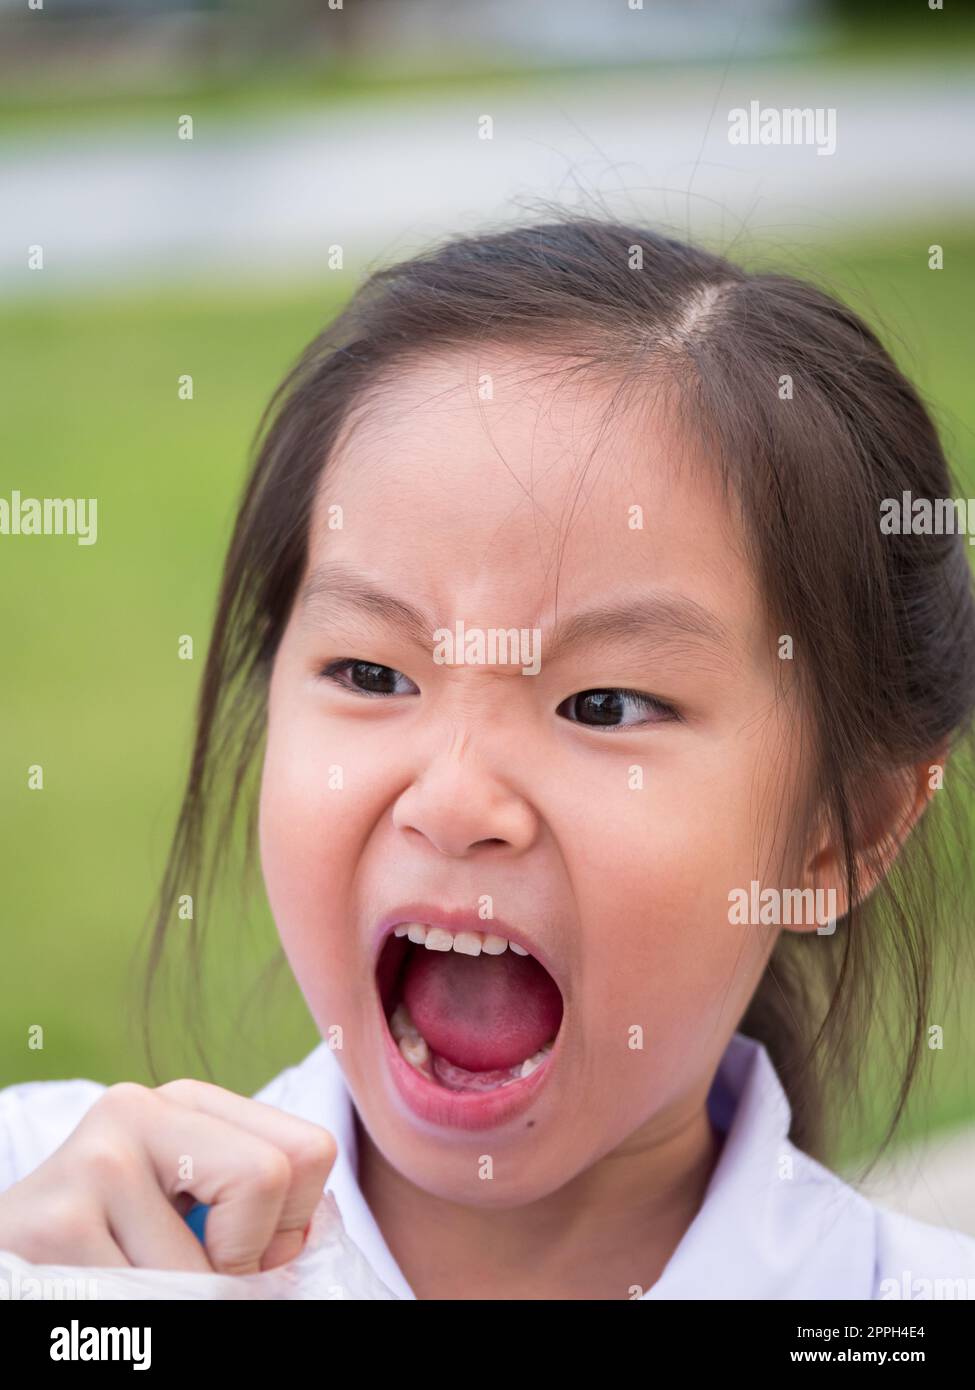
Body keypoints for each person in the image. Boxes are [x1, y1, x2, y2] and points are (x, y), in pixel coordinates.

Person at [3, 216, 975, 1299]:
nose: (456, 798)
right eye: (371, 675)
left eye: (604, 703)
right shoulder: (46, 1222)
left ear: (844, 831)